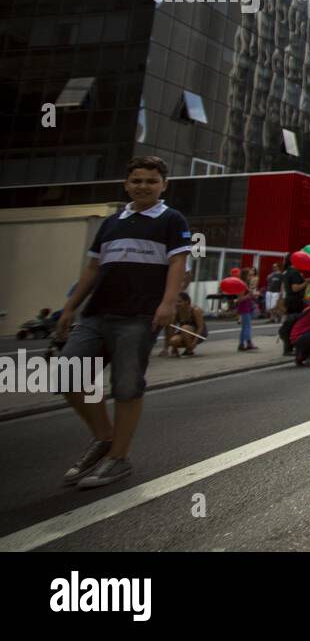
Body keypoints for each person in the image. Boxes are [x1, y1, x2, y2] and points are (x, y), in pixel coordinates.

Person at [56, 156, 191, 489]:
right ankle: (104, 438)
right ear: (126, 183)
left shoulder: (171, 219)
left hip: (139, 316)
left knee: (127, 387)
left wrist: (167, 302)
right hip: (96, 314)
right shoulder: (112, 221)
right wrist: (70, 307)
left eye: (151, 181)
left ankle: (118, 458)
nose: (143, 186)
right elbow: (92, 269)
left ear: (164, 185)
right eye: (137, 180)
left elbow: (178, 264)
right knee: (67, 375)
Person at [278, 252, 308, 355]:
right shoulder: (294, 272)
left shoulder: (287, 272)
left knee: (289, 323)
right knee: (293, 324)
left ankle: (288, 347)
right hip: (295, 301)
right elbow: (295, 288)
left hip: (289, 300)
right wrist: (306, 282)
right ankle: (289, 348)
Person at [161, 292, 206, 357]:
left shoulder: (195, 310)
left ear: (187, 301)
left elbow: (200, 327)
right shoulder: (176, 311)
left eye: (179, 302)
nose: (177, 304)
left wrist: (194, 342)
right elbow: (172, 328)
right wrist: (174, 348)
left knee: (185, 327)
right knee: (173, 340)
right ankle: (185, 348)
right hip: (184, 332)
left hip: (199, 334)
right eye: (175, 302)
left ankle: (189, 350)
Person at [235, 280, 258, 351]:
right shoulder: (242, 286)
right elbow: (240, 299)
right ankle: (248, 343)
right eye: (249, 275)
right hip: (244, 308)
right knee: (247, 326)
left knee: (245, 327)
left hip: (247, 307)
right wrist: (248, 295)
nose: (251, 277)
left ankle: (242, 344)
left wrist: (253, 295)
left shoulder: (246, 285)